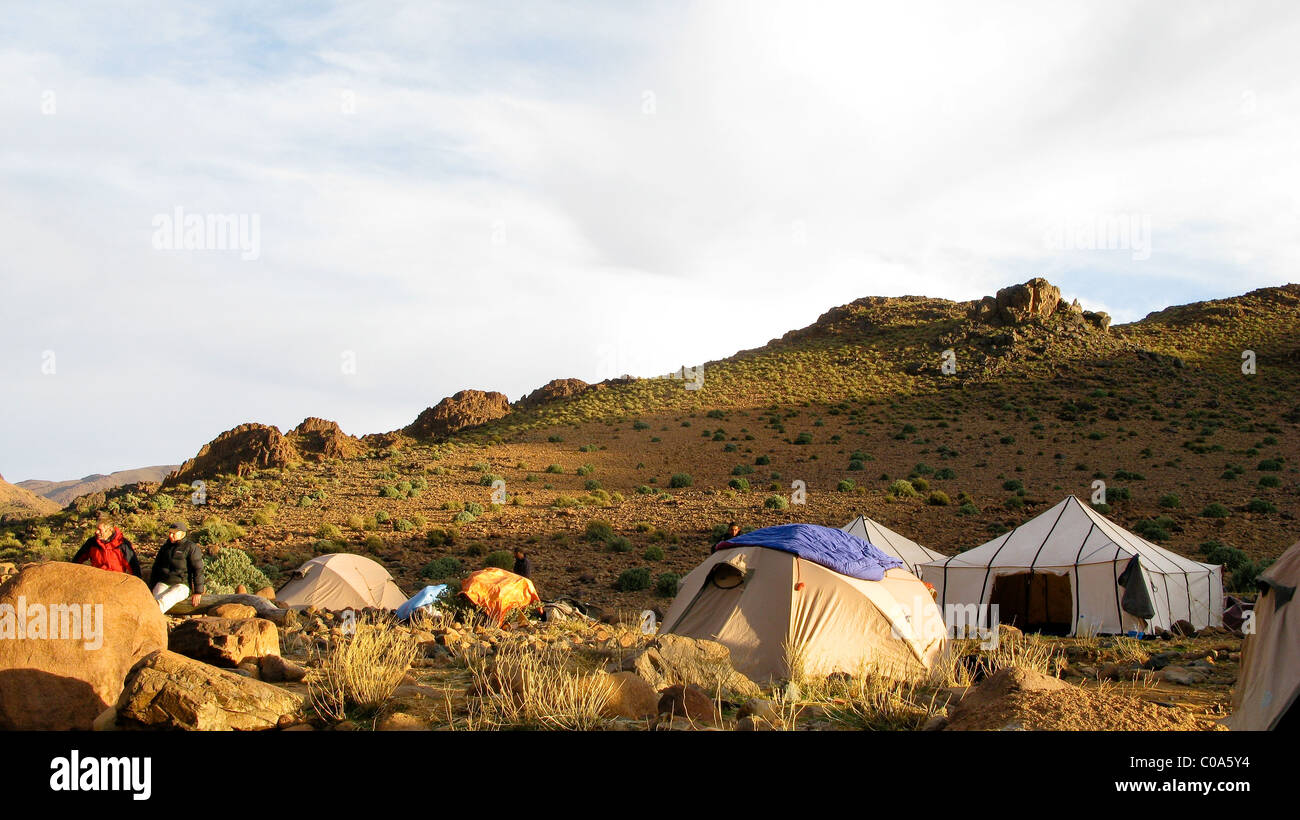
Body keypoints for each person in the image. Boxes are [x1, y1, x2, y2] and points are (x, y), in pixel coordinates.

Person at [148, 523, 205, 613]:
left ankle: (151, 616)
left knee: (163, 601)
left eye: (174, 533)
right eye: (170, 533)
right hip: (164, 582)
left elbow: (198, 569)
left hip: (182, 585)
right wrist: (151, 587)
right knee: (154, 600)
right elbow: (156, 568)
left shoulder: (191, 548)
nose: (170, 535)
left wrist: (198, 592)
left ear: (182, 534)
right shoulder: (165, 547)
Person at [71, 518, 143, 577]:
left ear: (110, 530)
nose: (96, 532)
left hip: (116, 582)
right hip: (96, 579)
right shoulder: (92, 543)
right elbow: (77, 560)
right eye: (96, 529)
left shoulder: (123, 545)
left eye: (100, 530)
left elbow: (134, 568)